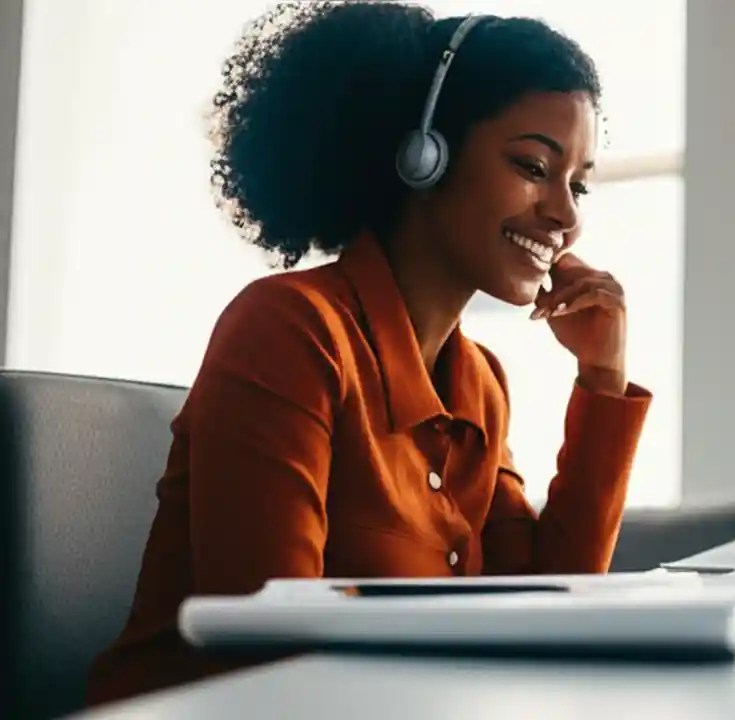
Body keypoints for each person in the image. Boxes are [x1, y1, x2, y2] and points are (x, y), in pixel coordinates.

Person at [86, 1, 650, 705]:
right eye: (534, 165)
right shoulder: (290, 331)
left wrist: (601, 378)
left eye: (579, 183)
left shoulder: (478, 383)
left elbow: (548, 603)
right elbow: (269, 649)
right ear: (425, 152)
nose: (566, 216)